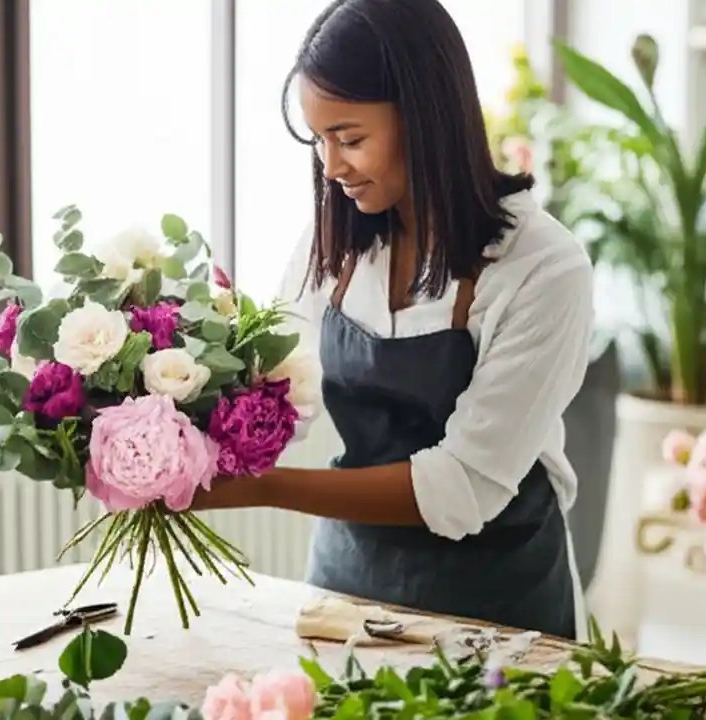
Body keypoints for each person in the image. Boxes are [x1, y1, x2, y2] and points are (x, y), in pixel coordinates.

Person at [190, 0, 594, 641]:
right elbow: (280, 390)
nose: (331, 167)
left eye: (350, 139)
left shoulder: (543, 266)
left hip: (498, 611)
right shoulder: (337, 241)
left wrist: (261, 488)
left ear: (427, 117)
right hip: (346, 591)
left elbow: (463, 487)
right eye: (320, 141)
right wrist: (165, 411)